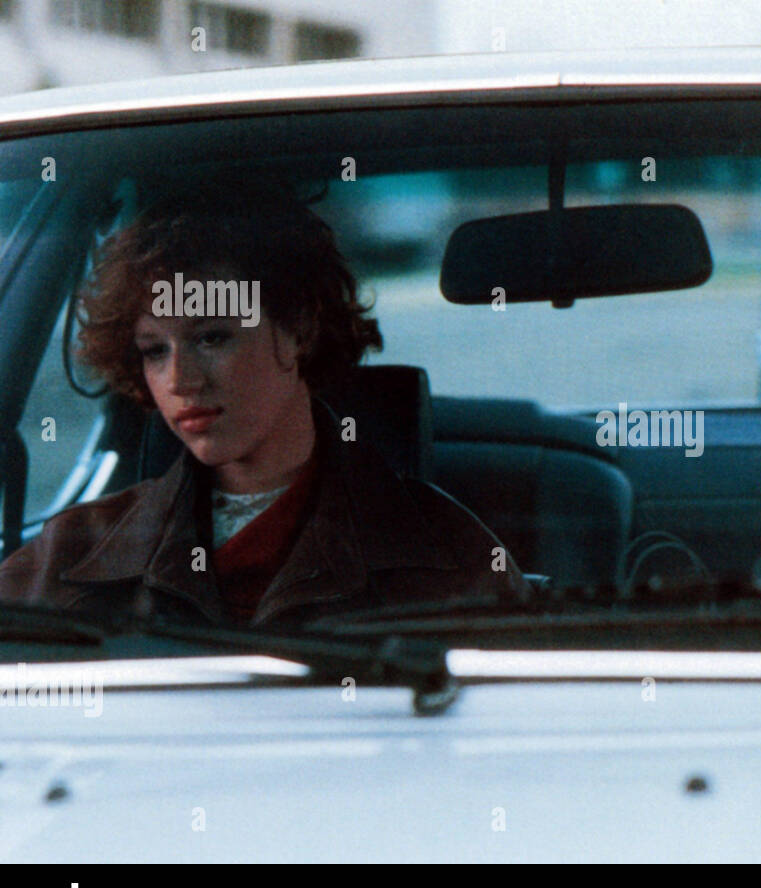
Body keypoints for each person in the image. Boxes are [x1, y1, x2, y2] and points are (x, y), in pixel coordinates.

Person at [0, 183, 528, 627]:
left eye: (212, 338)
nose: (181, 380)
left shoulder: (449, 556)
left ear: (297, 329)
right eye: (155, 351)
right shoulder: (73, 553)